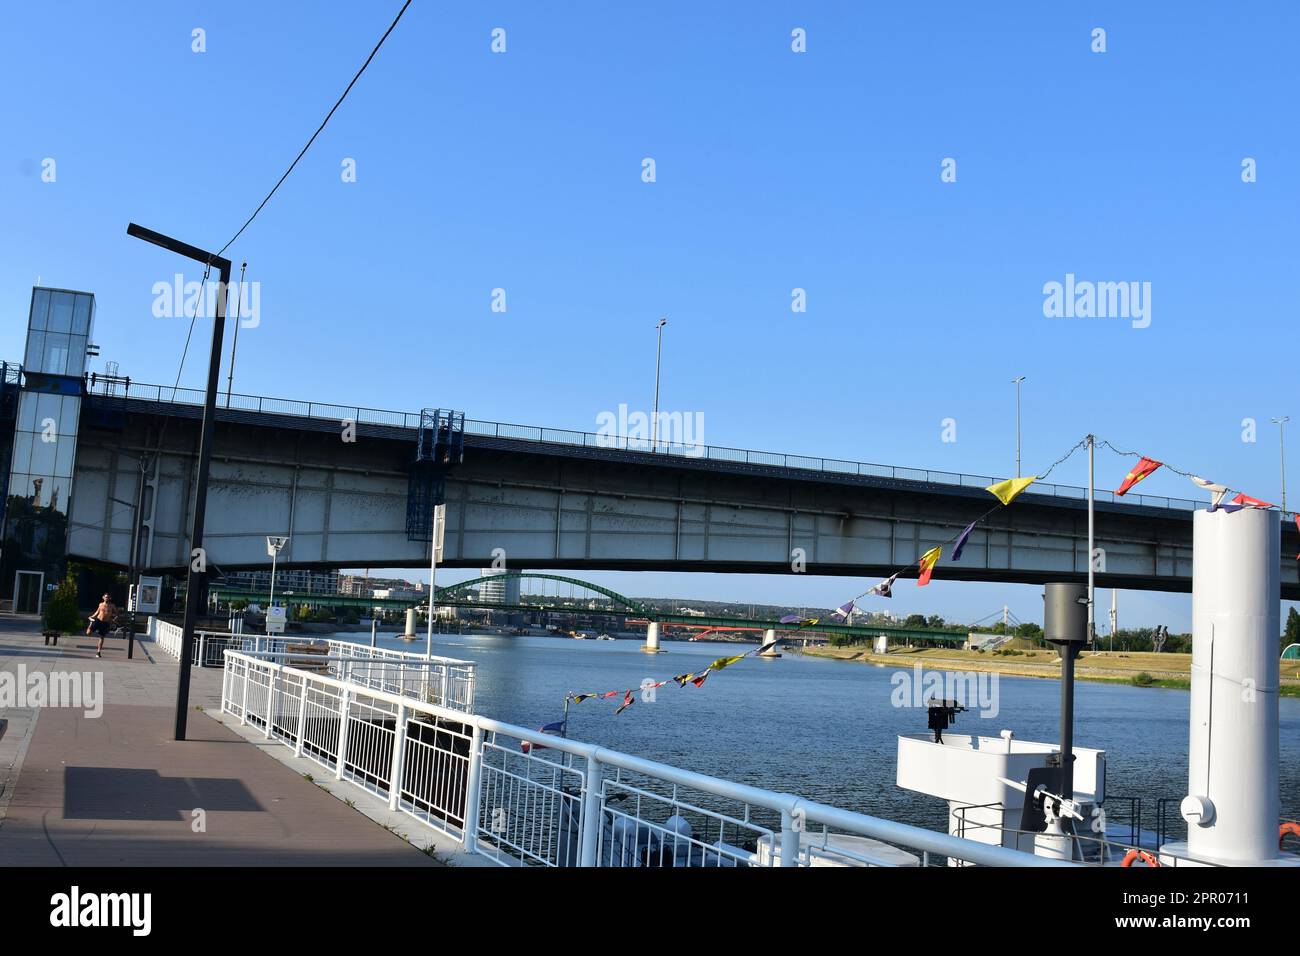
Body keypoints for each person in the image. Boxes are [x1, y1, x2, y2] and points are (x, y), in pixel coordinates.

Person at [87, 593, 117, 658]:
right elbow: (97, 612)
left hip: (105, 623)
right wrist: (92, 616)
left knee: (102, 637)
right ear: (103, 597)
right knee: (88, 633)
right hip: (98, 620)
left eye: (108, 597)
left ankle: (98, 652)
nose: (107, 598)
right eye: (106, 597)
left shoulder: (112, 605)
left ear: (110, 598)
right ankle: (91, 623)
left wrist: (114, 619)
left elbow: (116, 614)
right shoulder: (100, 604)